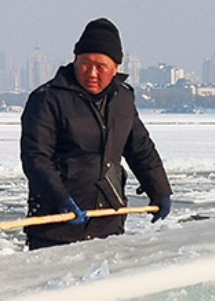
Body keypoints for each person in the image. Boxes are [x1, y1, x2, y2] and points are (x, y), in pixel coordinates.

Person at [19, 18, 172, 250]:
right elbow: (36, 158)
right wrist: (59, 199)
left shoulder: (123, 100)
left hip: (108, 222)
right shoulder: (48, 99)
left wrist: (159, 190)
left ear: (115, 69)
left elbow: (141, 149)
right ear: (75, 60)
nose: (91, 73)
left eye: (100, 67)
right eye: (85, 63)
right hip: (56, 227)